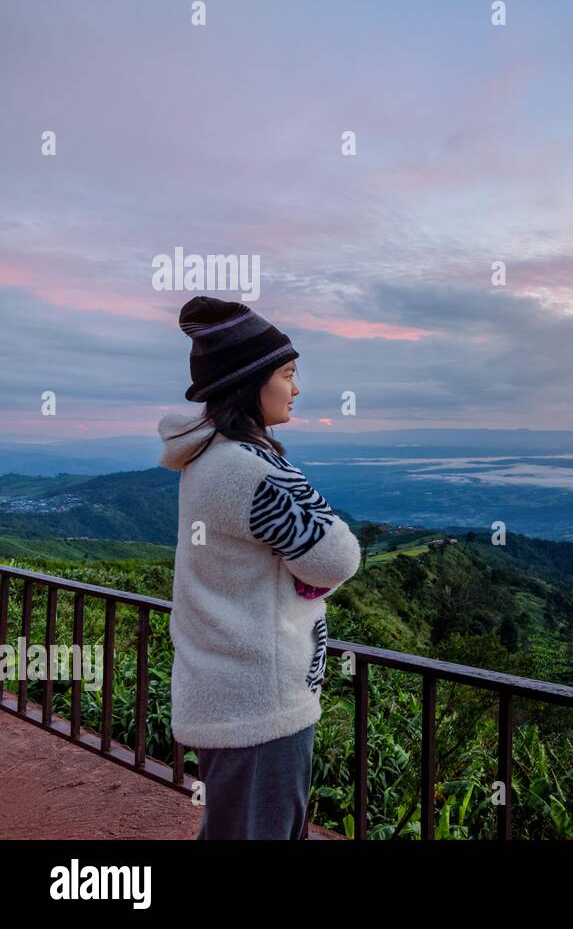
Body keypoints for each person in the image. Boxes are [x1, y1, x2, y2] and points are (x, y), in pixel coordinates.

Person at [157, 295, 362, 839]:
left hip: (226, 691)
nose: (296, 389)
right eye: (288, 374)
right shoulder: (249, 468)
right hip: (258, 703)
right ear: (251, 380)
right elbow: (339, 556)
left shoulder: (209, 458)